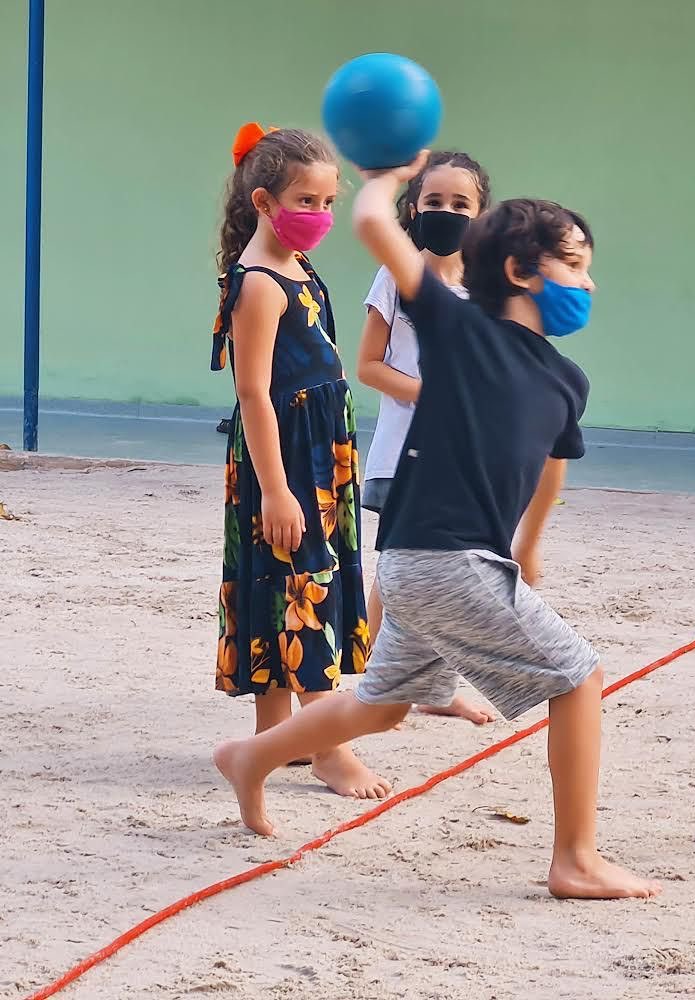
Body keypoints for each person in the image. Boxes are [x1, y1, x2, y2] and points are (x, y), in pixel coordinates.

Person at [214, 151, 661, 900]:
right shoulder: (461, 329)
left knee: (381, 709)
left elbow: (555, 461)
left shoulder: (564, 377)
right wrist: (391, 171)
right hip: (441, 559)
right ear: (521, 271)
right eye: (576, 265)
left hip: (449, 560)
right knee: (578, 677)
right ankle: (575, 860)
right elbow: (368, 223)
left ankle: (250, 757)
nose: (588, 284)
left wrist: (530, 544)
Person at [211, 122, 390, 800]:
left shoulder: (297, 268)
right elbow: (252, 392)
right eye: (306, 202)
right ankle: (327, 748)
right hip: (282, 459)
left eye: (327, 201)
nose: (320, 216)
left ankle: (272, 735)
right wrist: (277, 492)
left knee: (283, 581)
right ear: (262, 202)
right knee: (301, 583)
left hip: (319, 452)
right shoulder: (258, 282)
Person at [357, 150, 495, 726]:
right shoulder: (396, 277)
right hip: (402, 457)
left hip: (465, 461)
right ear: (413, 208)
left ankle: (434, 685)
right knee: (396, 568)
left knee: (452, 571)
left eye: (460, 203)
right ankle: (369, 675)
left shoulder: (491, 290)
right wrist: (427, 394)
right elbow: (368, 365)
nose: (446, 212)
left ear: (482, 215)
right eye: (434, 201)